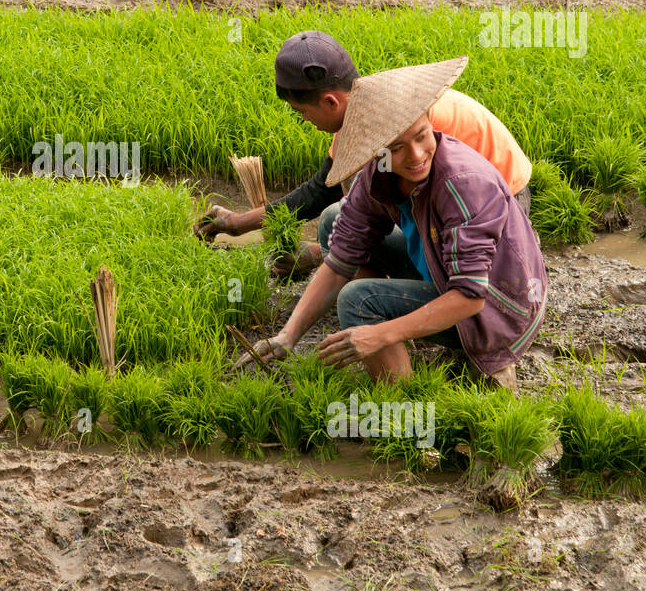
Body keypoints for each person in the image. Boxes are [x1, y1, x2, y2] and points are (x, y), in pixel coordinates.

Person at [232, 57, 547, 392]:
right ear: (376, 152)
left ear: (430, 120)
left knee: (358, 301)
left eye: (422, 136)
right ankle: (395, 342)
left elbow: (470, 296)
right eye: (396, 148)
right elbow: (340, 260)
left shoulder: (462, 183)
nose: (415, 155)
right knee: (335, 219)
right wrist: (287, 336)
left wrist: (381, 333)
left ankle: (408, 408)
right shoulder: (378, 174)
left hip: (502, 304)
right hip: (441, 265)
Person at [195, 31, 533, 280]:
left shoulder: (385, 125)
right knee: (338, 216)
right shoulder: (366, 109)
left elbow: (363, 211)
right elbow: (322, 190)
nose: (303, 121)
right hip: (471, 200)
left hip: (502, 214)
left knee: (341, 219)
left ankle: (382, 308)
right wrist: (237, 223)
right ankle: (369, 296)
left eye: (301, 111)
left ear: (330, 102)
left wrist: (316, 255)